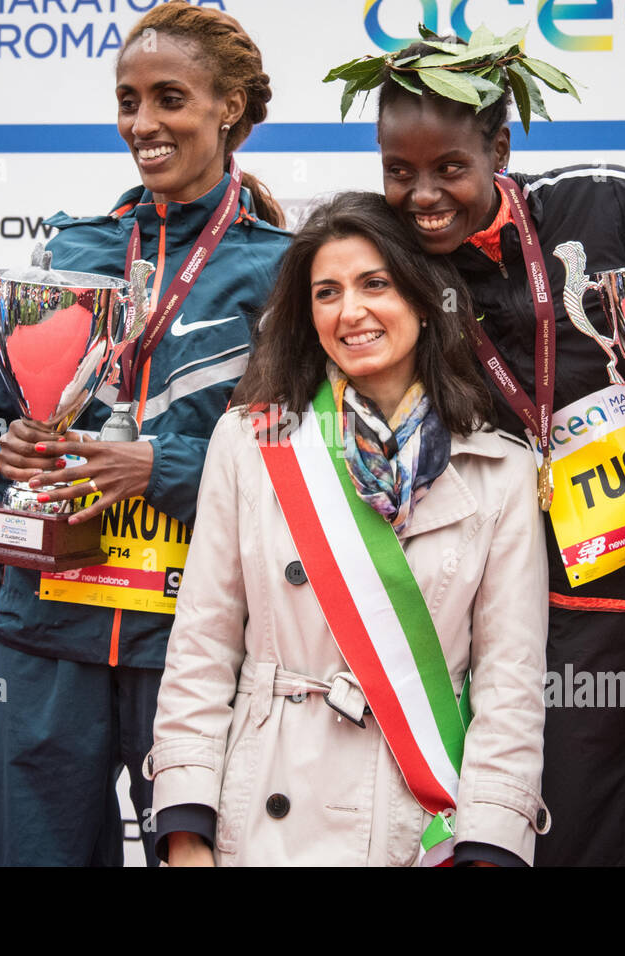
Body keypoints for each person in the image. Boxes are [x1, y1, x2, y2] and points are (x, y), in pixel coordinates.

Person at [368, 35, 625, 866]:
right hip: (569, 615)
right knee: (574, 846)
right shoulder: (392, 271)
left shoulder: (604, 203)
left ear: (501, 150)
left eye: (448, 166)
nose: (422, 194)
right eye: (397, 170)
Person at [0, 1, 290, 866]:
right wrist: (10, 452)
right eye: (127, 100)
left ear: (230, 107)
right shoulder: (72, 251)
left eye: (169, 98)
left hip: (192, 639)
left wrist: (159, 467)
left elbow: (299, 457)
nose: (142, 123)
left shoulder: (285, 270)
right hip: (45, 627)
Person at [147, 191, 549, 866]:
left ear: (423, 301)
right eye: (326, 292)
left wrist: (487, 847)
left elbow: (510, 687)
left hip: (415, 824)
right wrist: (186, 832)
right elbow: (201, 646)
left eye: (375, 285)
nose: (350, 311)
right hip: (264, 812)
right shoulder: (250, 443)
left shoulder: (500, 471)